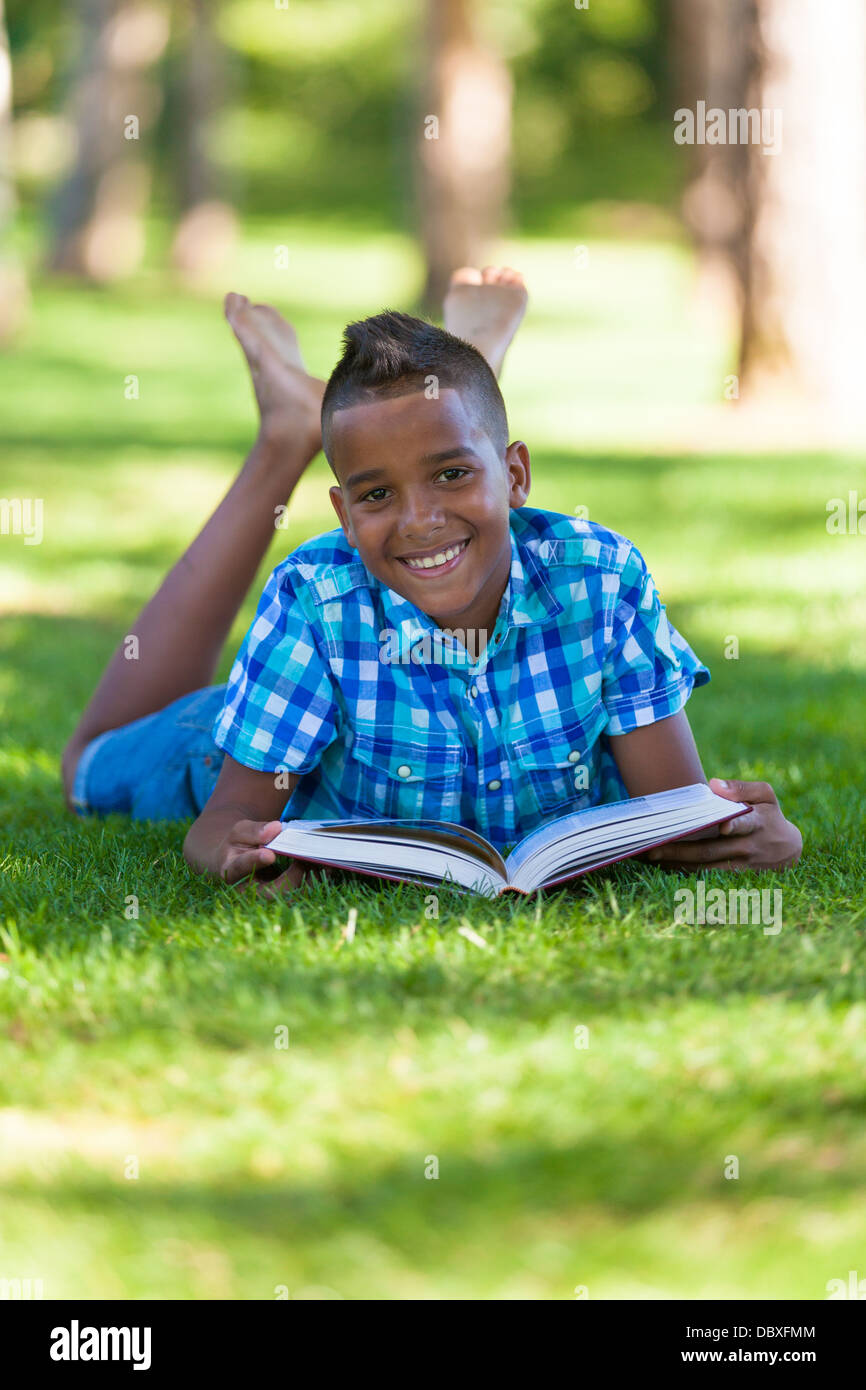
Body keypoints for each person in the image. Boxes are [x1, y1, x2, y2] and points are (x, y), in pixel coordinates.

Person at [62, 268, 802, 892]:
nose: (417, 521)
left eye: (452, 473)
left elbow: (672, 811)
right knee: (82, 770)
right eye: (375, 494)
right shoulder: (318, 597)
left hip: (469, 545)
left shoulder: (601, 580)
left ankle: (451, 391)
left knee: (440, 510)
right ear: (344, 515)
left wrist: (746, 832)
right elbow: (222, 822)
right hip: (268, 725)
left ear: (519, 475)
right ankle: (289, 432)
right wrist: (236, 850)